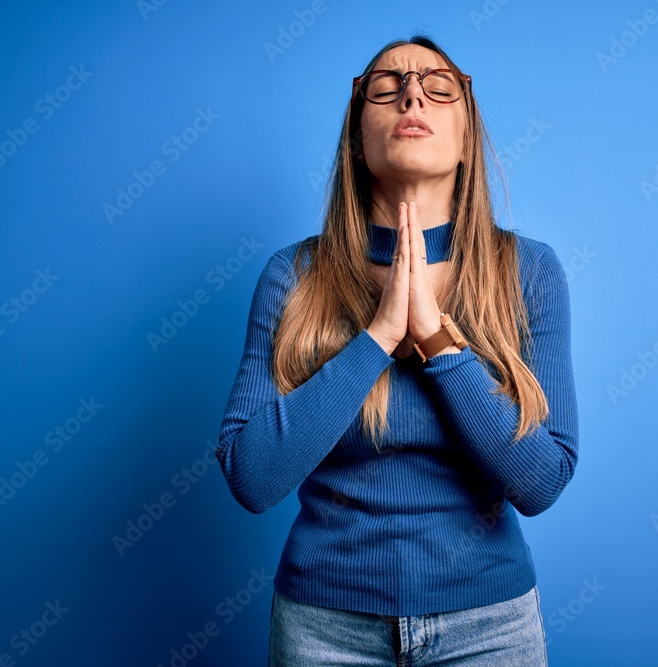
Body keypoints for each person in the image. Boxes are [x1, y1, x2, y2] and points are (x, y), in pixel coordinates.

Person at [216, 34, 578, 666]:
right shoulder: (293, 276)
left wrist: (439, 343)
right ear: (358, 139)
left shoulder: (530, 272)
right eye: (385, 88)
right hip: (323, 633)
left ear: (468, 138)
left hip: (488, 629)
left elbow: (542, 481)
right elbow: (251, 476)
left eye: (438, 87)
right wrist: (379, 336)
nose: (412, 93)